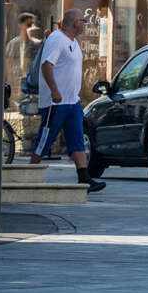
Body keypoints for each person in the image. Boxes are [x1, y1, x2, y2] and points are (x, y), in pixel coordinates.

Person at [32, 11, 103, 191]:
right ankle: (29, 171)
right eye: (83, 21)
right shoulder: (57, 39)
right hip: (56, 102)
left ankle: (84, 178)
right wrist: (54, 90)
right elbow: (46, 65)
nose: (85, 24)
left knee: (77, 138)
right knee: (46, 139)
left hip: (72, 101)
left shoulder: (73, 41)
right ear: (73, 23)